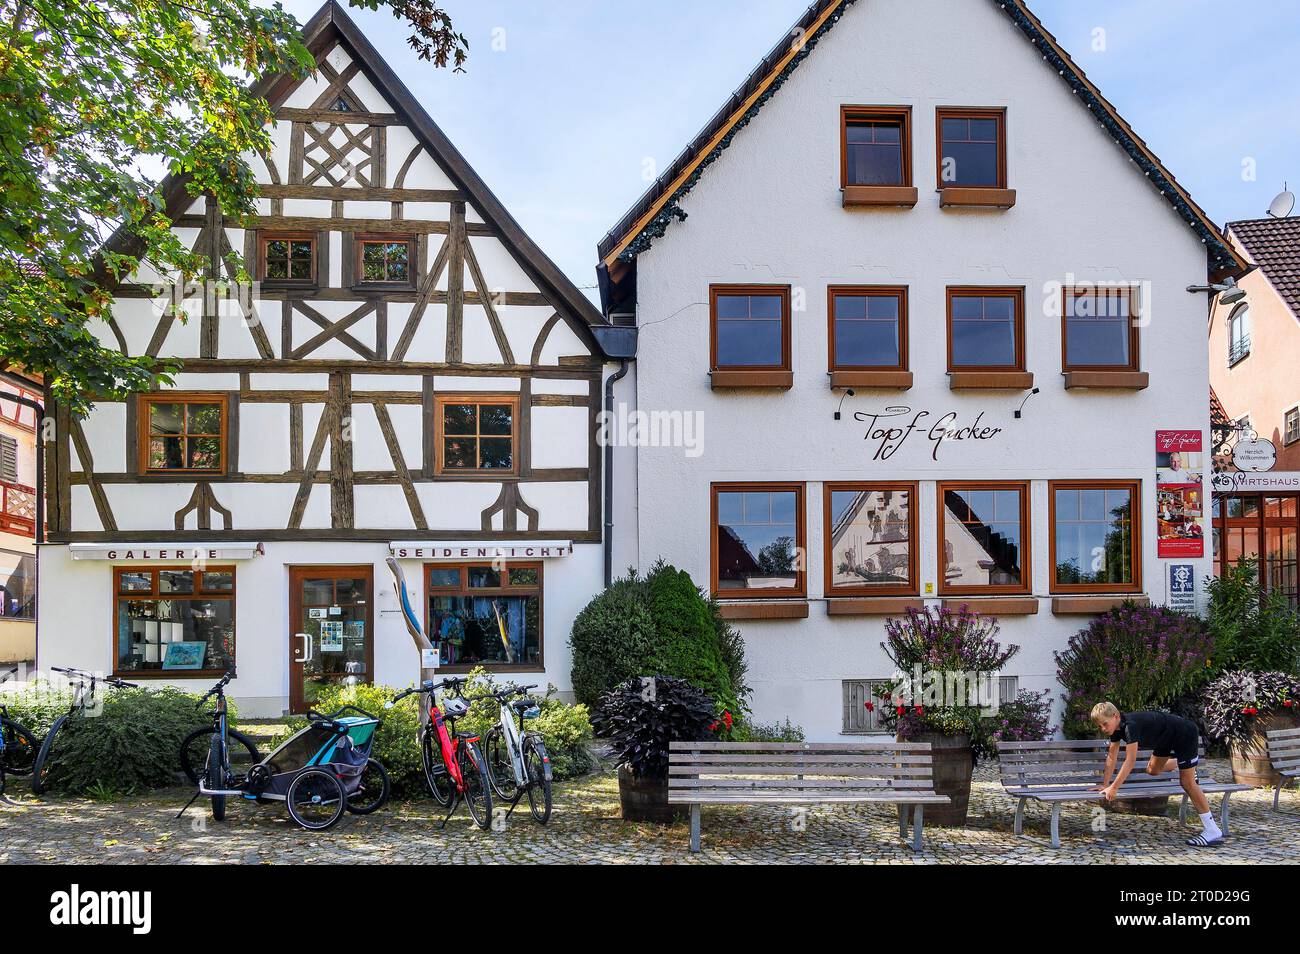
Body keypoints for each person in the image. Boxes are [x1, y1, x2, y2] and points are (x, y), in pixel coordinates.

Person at [1090, 701, 1221, 847]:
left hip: (1184, 733)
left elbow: (1130, 760)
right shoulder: (1115, 730)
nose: (1102, 728)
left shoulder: (1130, 727)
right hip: (1165, 739)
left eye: (1104, 724)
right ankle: (1187, 765)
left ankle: (1212, 830)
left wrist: (1114, 788)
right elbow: (1112, 755)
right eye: (1099, 726)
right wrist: (1105, 784)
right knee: (1152, 770)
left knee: (1187, 783)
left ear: (1115, 716)